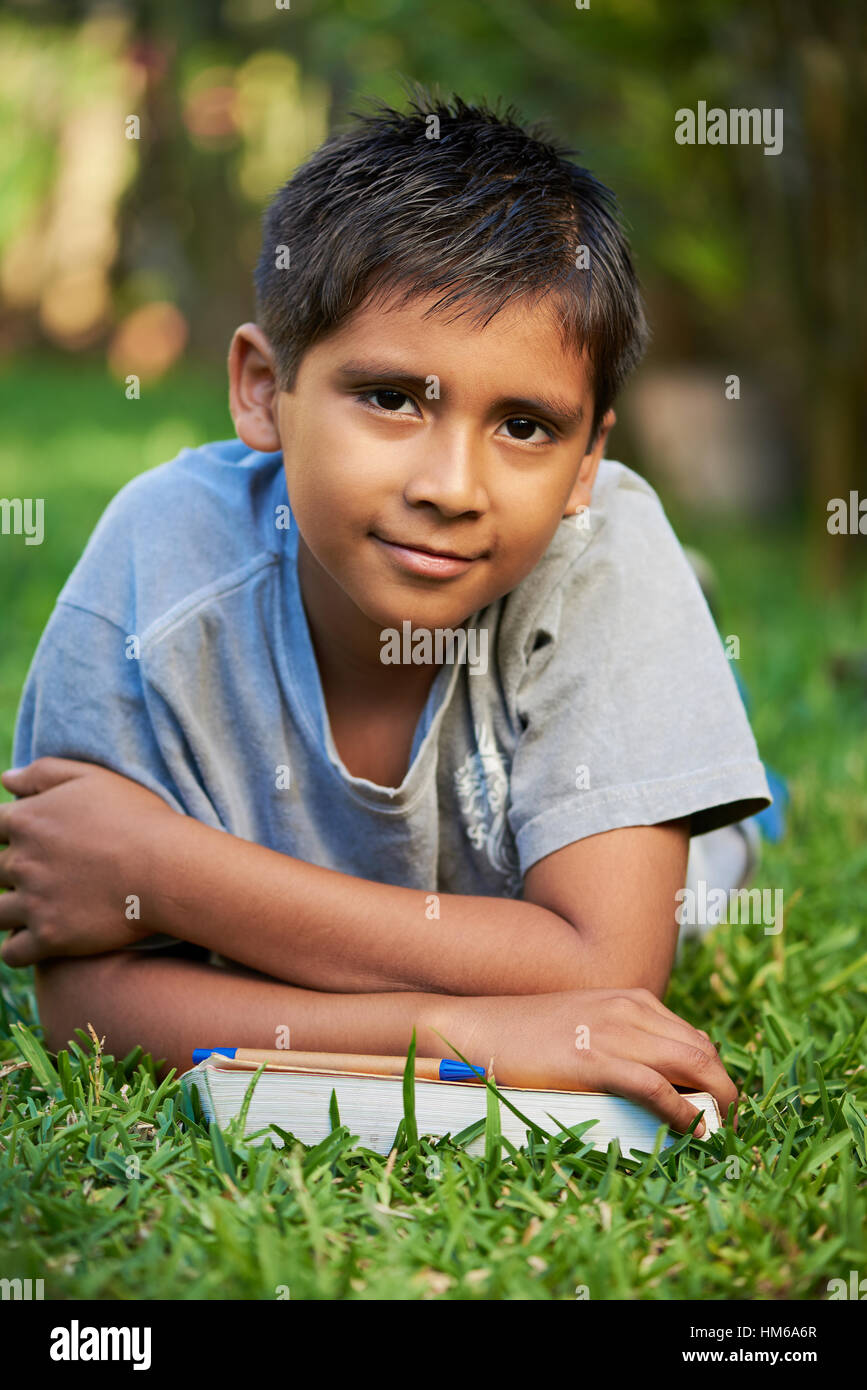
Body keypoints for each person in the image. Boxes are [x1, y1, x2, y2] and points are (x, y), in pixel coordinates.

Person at [0, 92, 773, 1135]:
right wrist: (486, 1025)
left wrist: (163, 872)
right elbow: (84, 1004)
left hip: (602, 746)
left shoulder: (599, 546)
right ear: (263, 390)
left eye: (526, 425)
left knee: (704, 824)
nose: (451, 484)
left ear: (591, 459)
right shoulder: (161, 567)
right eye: (394, 398)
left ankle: (684, 693)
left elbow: (608, 971)